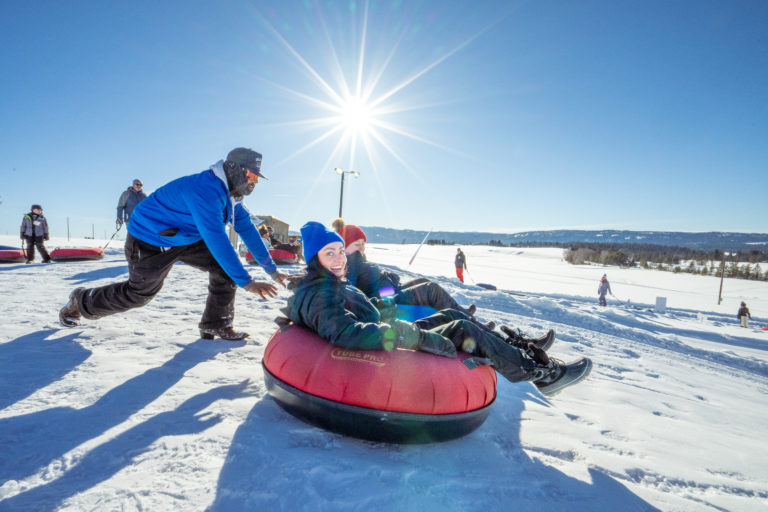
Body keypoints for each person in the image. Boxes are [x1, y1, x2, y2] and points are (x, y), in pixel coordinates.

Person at [282, 221, 592, 396]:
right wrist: (404, 331)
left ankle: (522, 353)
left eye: (340, 251)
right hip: (390, 338)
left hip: (384, 324)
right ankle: (542, 374)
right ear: (313, 259)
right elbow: (344, 331)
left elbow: (354, 308)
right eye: (329, 253)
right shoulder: (320, 293)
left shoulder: (329, 282)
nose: (339, 259)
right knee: (463, 328)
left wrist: (376, 306)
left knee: (454, 317)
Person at [59, 147, 288, 340]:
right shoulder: (205, 190)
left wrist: (273, 271)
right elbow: (217, 239)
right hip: (149, 239)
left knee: (224, 269)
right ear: (234, 170)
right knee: (139, 294)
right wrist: (247, 282)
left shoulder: (231, 196)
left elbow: (246, 228)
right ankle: (80, 301)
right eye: (251, 175)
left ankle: (216, 323)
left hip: (185, 237)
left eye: (257, 178)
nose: (254, 182)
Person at [336, 220, 556, 349]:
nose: (363, 248)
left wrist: (388, 279)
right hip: (387, 302)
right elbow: (360, 290)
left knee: (424, 282)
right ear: (345, 246)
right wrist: (386, 287)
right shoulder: (348, 264)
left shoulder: (356, 261)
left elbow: (374, 279)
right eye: (358, 244)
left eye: (364, 244)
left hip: (390, 293)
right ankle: (471, 321)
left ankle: (466, 316)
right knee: (430, 290)